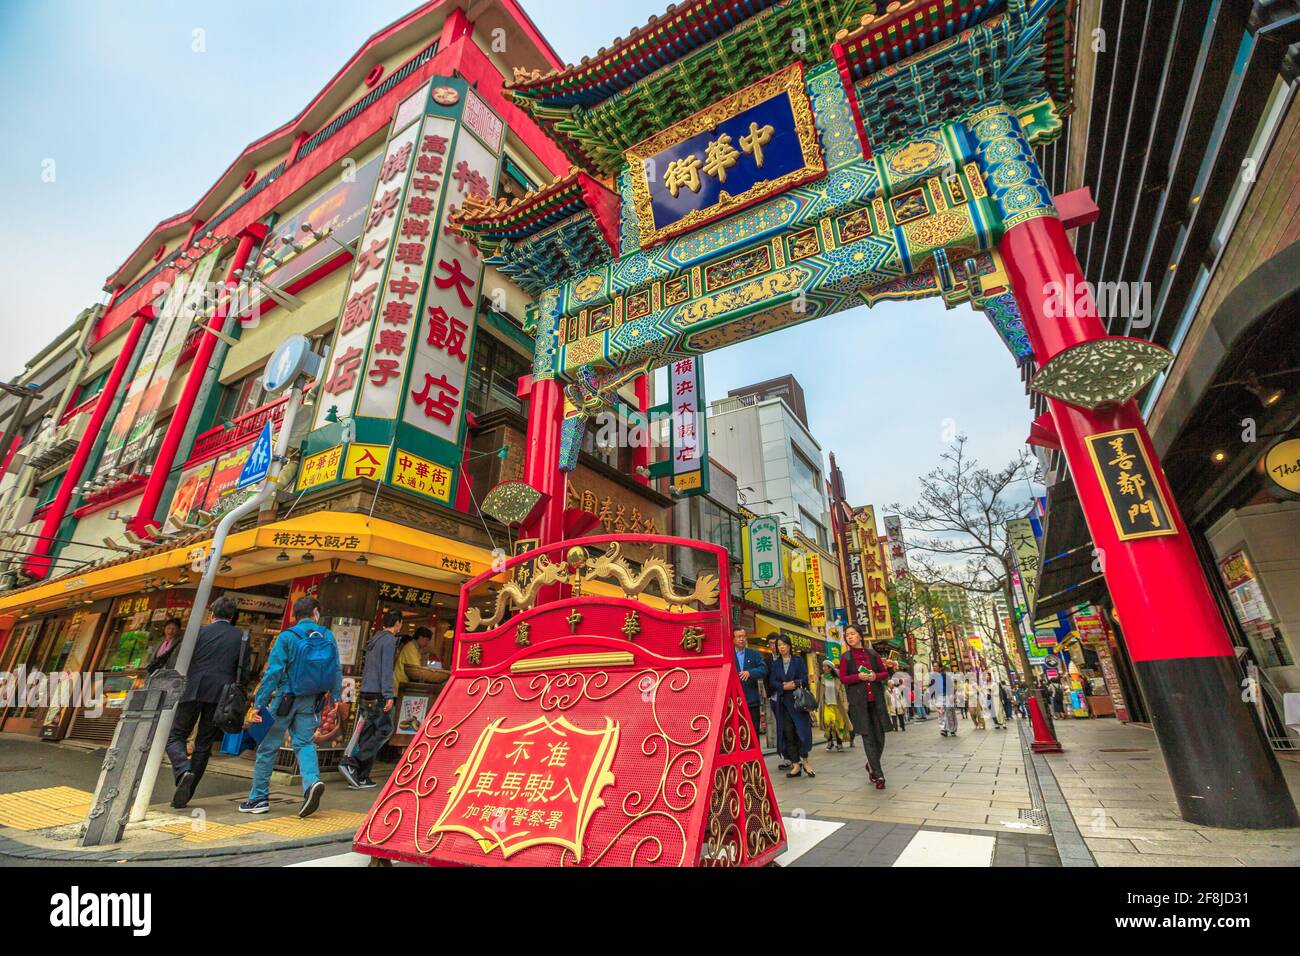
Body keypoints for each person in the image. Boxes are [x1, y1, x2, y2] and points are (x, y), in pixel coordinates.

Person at [240, 596, 343, 818]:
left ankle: (258, 798)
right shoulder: (327, 636)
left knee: (268, 747)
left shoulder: (287, 637)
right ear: (315, 613)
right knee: (304, 743)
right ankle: (312, 784)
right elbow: (336, 669)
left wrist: (259, 703)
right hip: (312, 700)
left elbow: (273, 672)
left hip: (284, 700)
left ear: (295, 616)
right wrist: (335, 697)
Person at [167, 598, 243, 809]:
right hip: (222, 694)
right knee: (204, 743)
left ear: (212, 614)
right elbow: (242, 669)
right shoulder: (240, 636)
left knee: (175, 735)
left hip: (192, 688)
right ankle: (186, 792)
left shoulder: (198, 632)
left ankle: (183, 769)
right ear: (232, 617)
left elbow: (178, 659)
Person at [338, 608, 401, 790]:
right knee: (385, 730)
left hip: (366, 692)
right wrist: (388, 694)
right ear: (397, 623)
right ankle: (352, 763)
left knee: (368, 733)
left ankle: (361, 777)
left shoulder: (375, 639)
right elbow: (386, 669)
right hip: (378, 693)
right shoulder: (389, 640)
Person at [839, 625, 890, 788]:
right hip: (859, 704)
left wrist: (875, 676)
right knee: (868, 737)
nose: (850, 637)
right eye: (847, 635)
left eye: (853, 634)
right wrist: (858, 676)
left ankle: (871, 765)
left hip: (876, 701)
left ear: (860, 636)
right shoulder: (845, 657)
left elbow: (884, 674)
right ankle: (879, 775)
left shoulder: (872, 654)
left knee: (880, 737)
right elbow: (843, 678)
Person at [768, 636, 814, 778]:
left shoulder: (798, 660)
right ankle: (795, 764)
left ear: (789, 646)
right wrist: (782, 686)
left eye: (784, 644)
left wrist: (794, 683)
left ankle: (805, 761)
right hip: (783, 703)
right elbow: (772, 681)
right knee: (788, 732)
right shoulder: (776, 664)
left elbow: (805, 679)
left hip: (797, 702)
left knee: (801, 731)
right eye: (779, 645)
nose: (781, 647)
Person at [732, 628, 767, 743]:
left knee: (753, 731)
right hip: (733, 701)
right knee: (736, 733)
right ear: (733, 639)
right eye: (738, 636)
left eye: (743, 636)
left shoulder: (754, 654)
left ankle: (755, 758)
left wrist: (750, 673)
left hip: (751, 700)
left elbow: (763, 669)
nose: (742, 639)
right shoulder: (728, 654)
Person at [817, 659, 849, 751]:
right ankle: (830, 742)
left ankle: (839, 743)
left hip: (837, 705)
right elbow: (818, 691)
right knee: (828, 723)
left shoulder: (837, 679)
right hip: (827, 705)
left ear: (830, 668)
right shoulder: (821, 678)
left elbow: (843, 692)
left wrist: (845, 704)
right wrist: (816, 703)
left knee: (839, 724)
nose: (823, 668)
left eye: (825, 666)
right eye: (823, 666)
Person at [933, 665, 958, 737]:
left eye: (935, 666)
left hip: (947, 695)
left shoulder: (946, 676)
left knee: (949, 713)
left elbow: (952, 686)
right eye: (933, 666)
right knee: (940, 713)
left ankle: (952, 729)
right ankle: (944, 729)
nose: (934, 668)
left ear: (940, 668)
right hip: (939, 697)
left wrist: (952, 695)